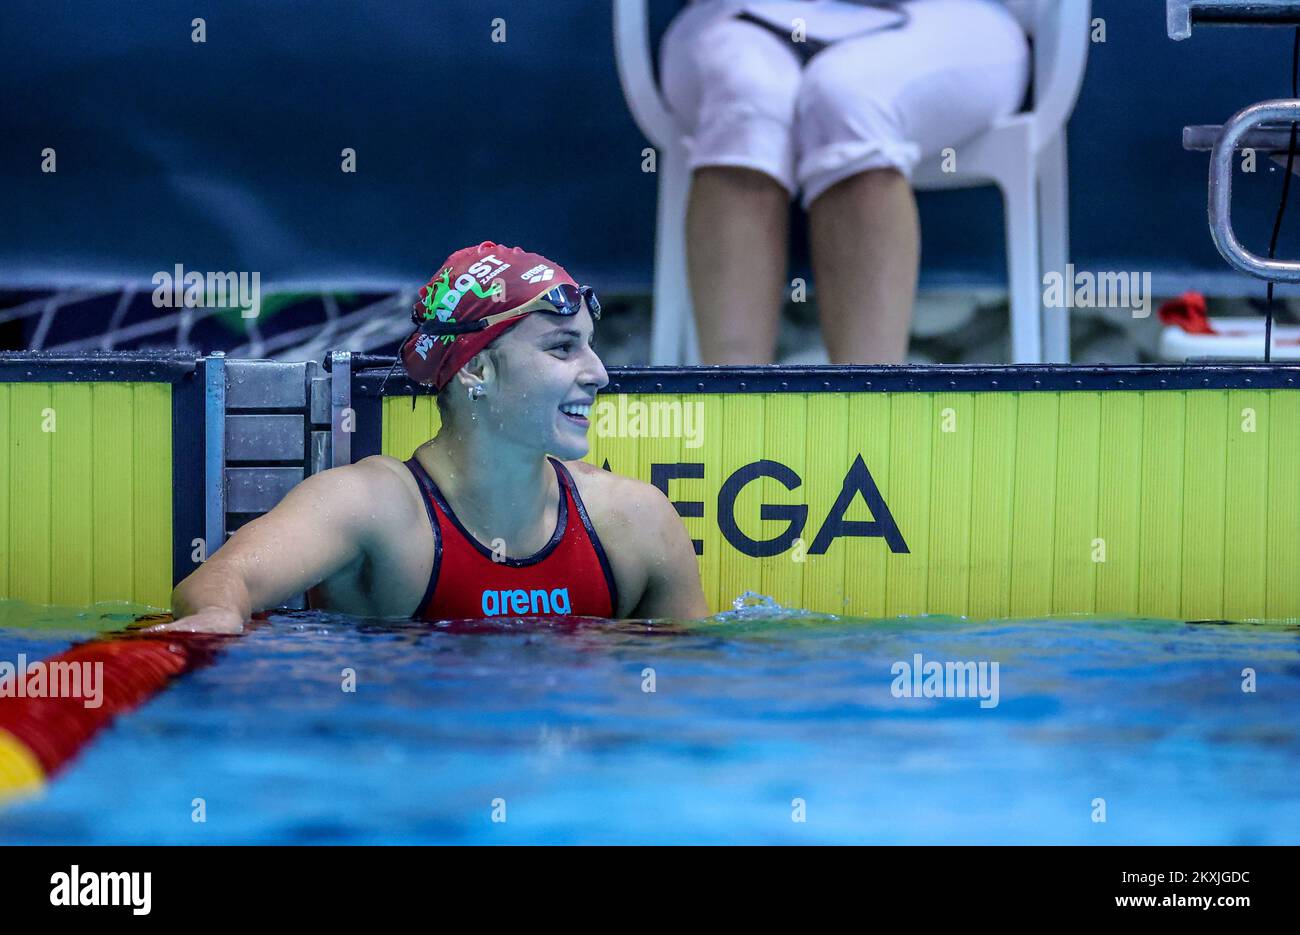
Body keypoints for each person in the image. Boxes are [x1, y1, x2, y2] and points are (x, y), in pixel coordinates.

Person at [158, 242, 710, 633]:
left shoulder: (634, 522)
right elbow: (219, 582)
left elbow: (690, 701)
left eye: (590, 345)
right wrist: (218, 616)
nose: (598, 373)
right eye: (562, 348)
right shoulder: (374, 508)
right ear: (476, 369)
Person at [659, 0, 1031, 363]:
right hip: (741, 15)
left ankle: (870, 397)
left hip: (951, 16)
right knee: (746, 92)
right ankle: (731, 396)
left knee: (848, 97)